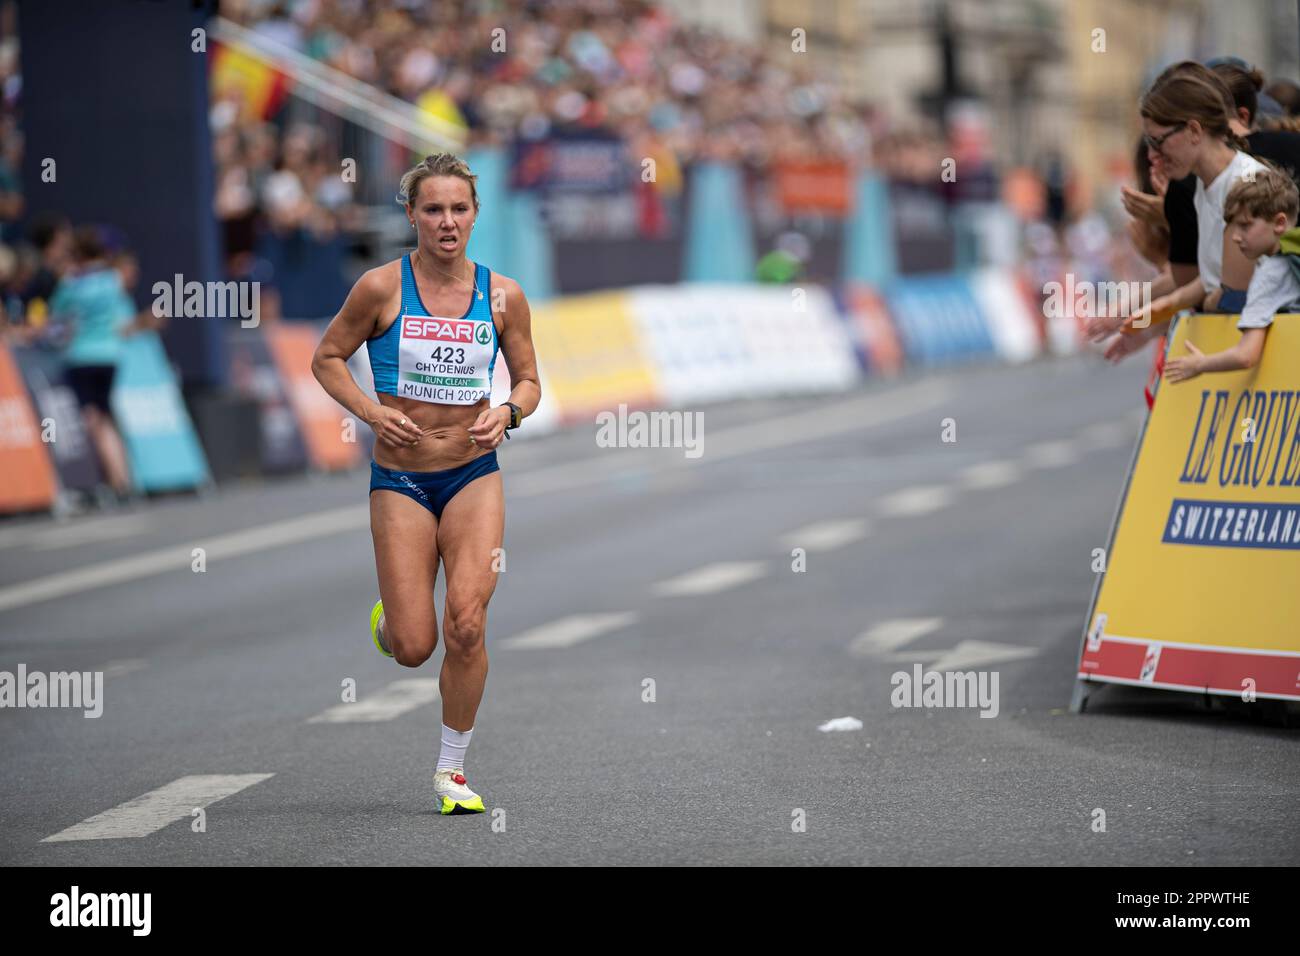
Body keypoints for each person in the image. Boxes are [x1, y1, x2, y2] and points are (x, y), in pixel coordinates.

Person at [311, 153, 541, 815]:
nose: (447, 222)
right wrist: (371, 410)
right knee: (416, 647)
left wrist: (508, 411)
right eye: (433, 209)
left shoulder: (502, 296)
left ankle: (452, 773)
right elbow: (326, 358)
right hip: (401, 480)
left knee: (466, 623)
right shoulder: (381, 288)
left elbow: (529, 380)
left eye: (459, 209)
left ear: (475, 215)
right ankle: (394, 622)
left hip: (472, 474)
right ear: (411, 215)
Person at [1099, 64, 1266, 364]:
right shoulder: (1206, 186)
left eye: (1158, 141)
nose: (1153, 155)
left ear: (1193, 130)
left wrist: (1157, 311)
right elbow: (1206, 282)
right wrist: (1143, 321)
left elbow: (1232, 296)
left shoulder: (1244, 184)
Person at [1165, 166, 1300, 382]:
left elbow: (1246, 355)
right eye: (1232, 227)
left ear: (1280, 223)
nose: (1236, 237)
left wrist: (1200, 364)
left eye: (1245, 226)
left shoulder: (1270, 274)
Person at [47, 225, 135, 497]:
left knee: (93, 419)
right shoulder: (113, 280)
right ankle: (123, 477)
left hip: (81, 356)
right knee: (106, 415)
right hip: (110, 355)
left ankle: (116, 481)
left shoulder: (71, 284)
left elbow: (56, 318)